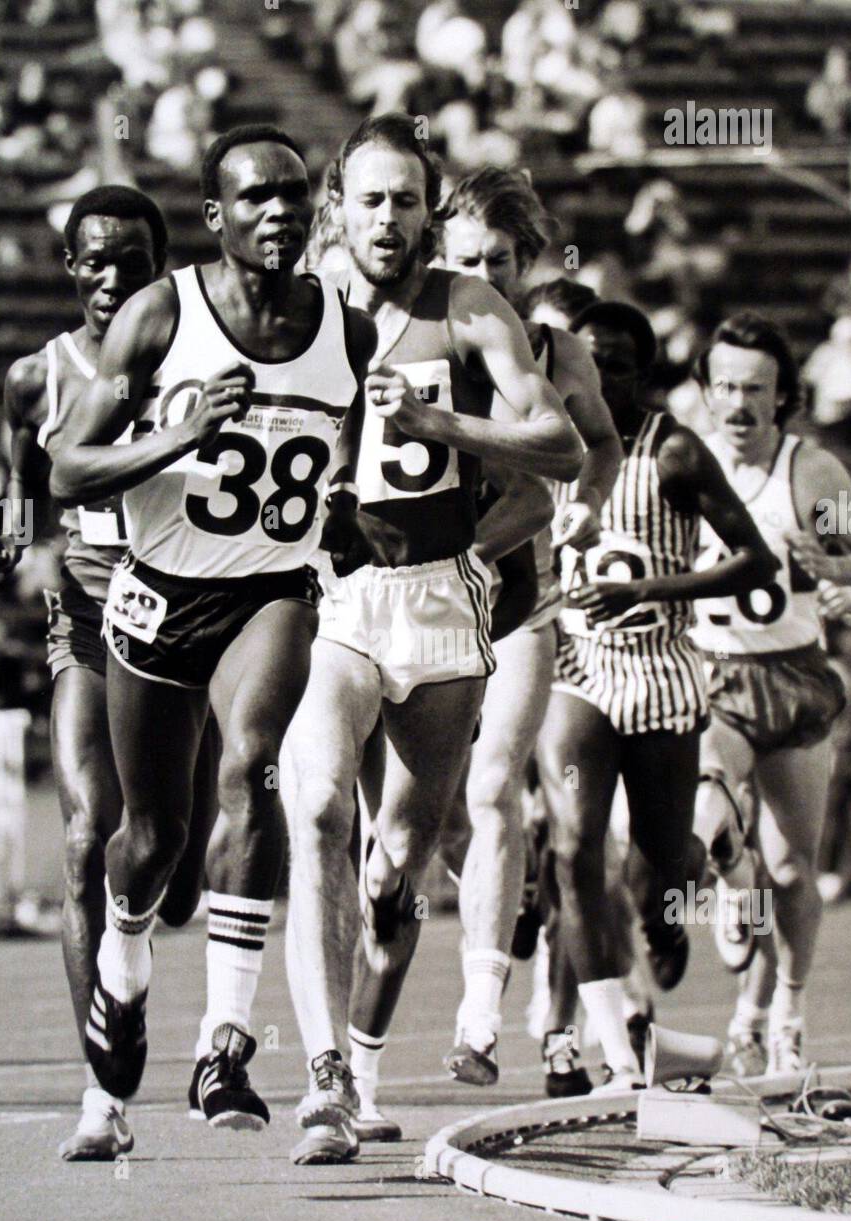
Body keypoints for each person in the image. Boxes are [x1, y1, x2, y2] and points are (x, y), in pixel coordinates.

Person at [49, 125, 376, 1131]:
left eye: (293, 193)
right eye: (254, 197)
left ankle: (223, 1049)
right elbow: (67, 465)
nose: (278, 211)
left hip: (268, 590)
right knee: (150, 841)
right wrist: (180, 434)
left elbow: (343, 447)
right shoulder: (160, 314)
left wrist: (348, 512)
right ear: (214, 216)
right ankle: (126, 957)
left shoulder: (343, 327)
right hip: (155, 594)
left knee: (251, 766)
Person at [281, 113, 581, 1163]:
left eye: (405, 199)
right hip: (341, 604)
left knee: (397, 866)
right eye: (368, 197)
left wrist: (442, 426)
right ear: (338, 206)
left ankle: (362, 1068)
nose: (387, 218)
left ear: (424, 209)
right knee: (317, 801)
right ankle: (321, 1082)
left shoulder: (470, 308)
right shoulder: (302, 310)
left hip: (444, 606)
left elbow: (563, 447)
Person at [0, 185, 218, 1161]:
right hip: (85, 615)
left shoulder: (203, 361)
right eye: (93, 260)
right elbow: (15, 489)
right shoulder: (37, 376)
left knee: (178, 873)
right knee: (87, 838)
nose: (111, 276)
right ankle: (103, 1090)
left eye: (132, 257)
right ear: (71, 269)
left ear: (162, 261)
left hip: (190, 618)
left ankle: (151, 933)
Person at [535, 301, 778, 1089]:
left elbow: (756, 562)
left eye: (616, 363)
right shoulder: (544, 443)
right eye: (587, 360)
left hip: (664, 676)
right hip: (579, 675)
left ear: (643, 374)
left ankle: (691, 883)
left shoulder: (673, 451)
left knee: (657, 897)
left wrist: (656, 585)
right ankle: (606, 1046)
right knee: (573, 849)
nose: (598, 377)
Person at [434, 167, 621, 1086]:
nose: (482, 275)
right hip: (415, 605)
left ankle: (482, 1015)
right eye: (463, 258)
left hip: (518, 596)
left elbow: (602, 443)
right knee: (428, 826)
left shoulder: (553, 352)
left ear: (526, 262)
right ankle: (497, 898)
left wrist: (586, 502)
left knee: (496, 784)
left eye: (499, 261)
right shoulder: (404, 340)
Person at [689, 312, 851, 1076]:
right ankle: (737, 895)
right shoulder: (687, 461)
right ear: (705, 393)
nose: (740, 405)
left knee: (795, 867)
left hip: (794, 676)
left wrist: (833, 566)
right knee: (709, 809)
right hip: (712, 673)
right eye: (727, 388)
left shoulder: (811, 472)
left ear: (782, 398)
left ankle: (781, 1012)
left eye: (756, 390)